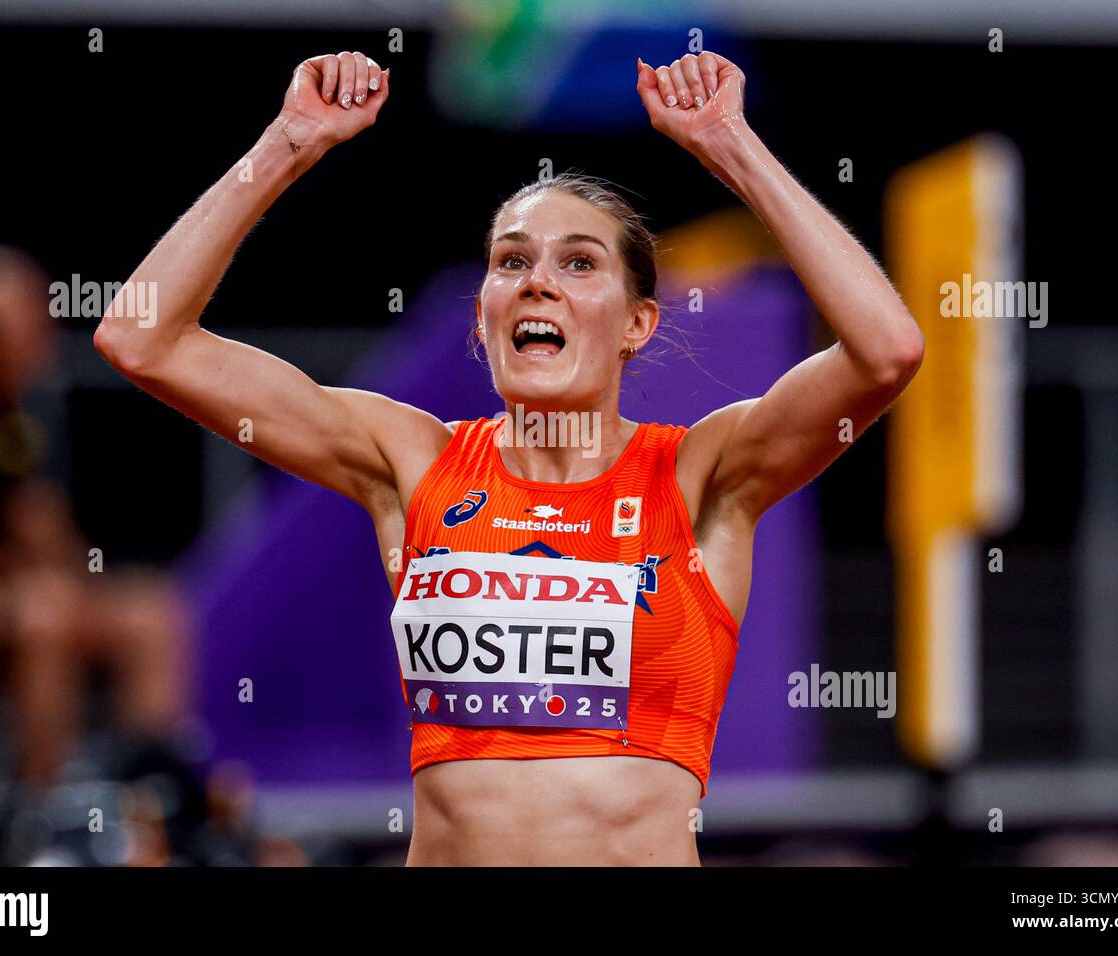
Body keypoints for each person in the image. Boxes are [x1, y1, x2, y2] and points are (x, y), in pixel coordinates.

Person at [93, 50, 923, 866]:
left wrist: (730, 147)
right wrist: (289, 142)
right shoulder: (410, 462)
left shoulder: (704, 477)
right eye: (512, 261)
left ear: (638, 323)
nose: (537, 282)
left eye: (579, 263)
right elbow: (141, 337)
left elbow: (886, 351)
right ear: (482, 317)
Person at [0, 246, 189, 794]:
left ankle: (150, 803)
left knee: (149, 613)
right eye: (22, 319)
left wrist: (63, 568)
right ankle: (2, 801)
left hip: (15, 588)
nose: (44, 327)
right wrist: (35, 565)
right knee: (29, 613)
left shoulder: (35, 412)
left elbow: (54, 536)